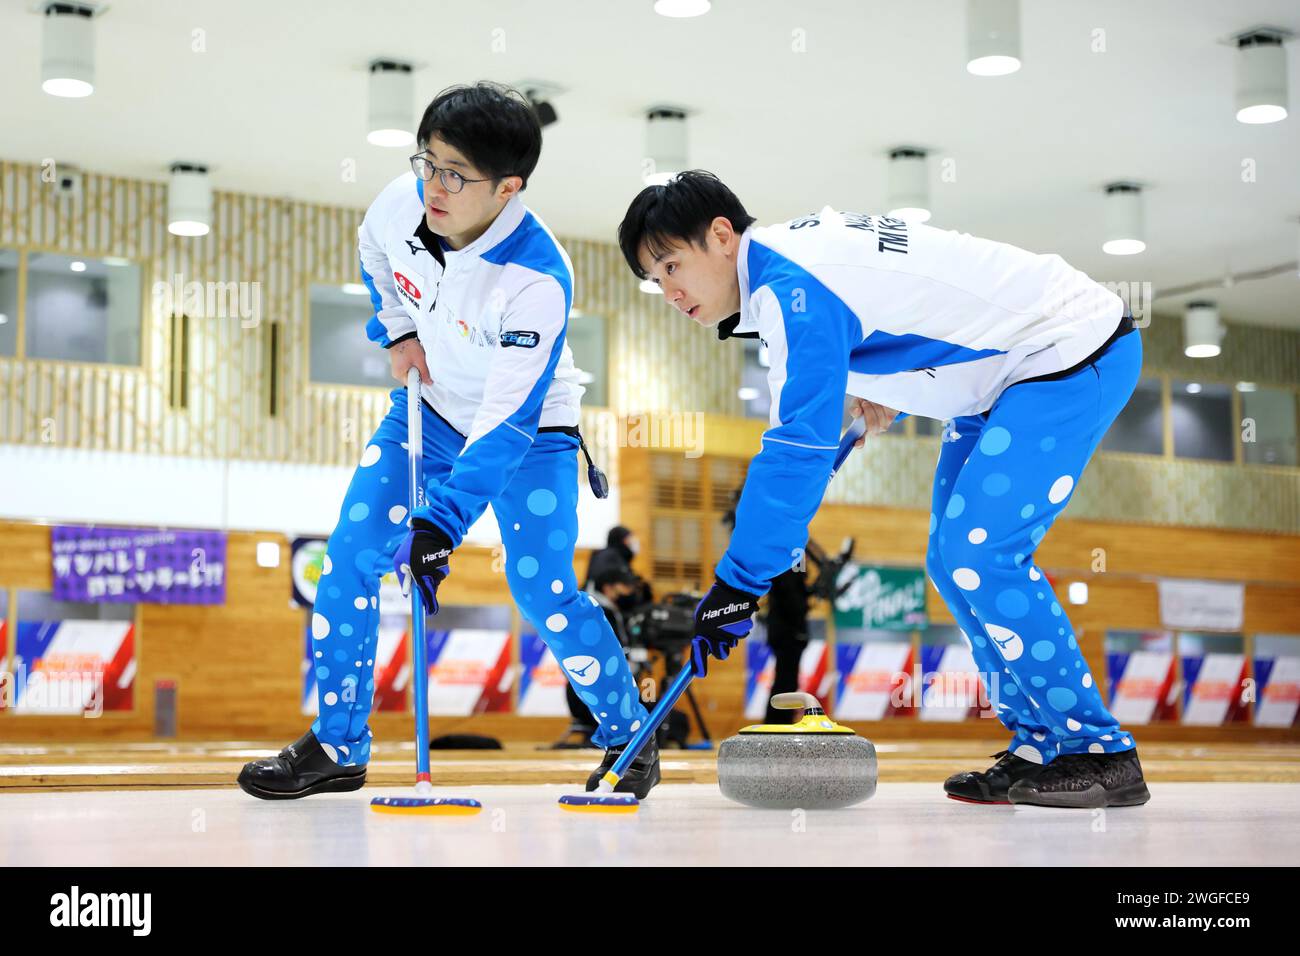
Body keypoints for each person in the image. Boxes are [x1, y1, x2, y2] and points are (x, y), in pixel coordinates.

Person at [616, 170, 1150, 809]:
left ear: (723, 235)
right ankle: (1041, 743)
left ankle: (1099, 751)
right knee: (952, 563)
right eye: (656, 279)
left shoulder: (794, 288)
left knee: (982, 557)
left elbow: (796, 450)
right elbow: (895, 316)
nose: (670, 291)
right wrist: (889, 383)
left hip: (1070, 350)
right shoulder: (787, 273)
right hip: (998, 378)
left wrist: (738, 583)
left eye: (673, 265)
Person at [238, 83, 657, 801]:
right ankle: (338, 745)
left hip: (530, 433)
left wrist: (444, 520)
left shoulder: (537, 278)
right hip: (426, 410)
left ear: (508, 187)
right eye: (427, 162)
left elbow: (506, 420)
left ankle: (630, 735)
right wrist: (398, 329)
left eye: (455, 174)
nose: (433, 184)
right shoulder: (400, 204)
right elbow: (374, 253)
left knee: (544, 589)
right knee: (347, 559)